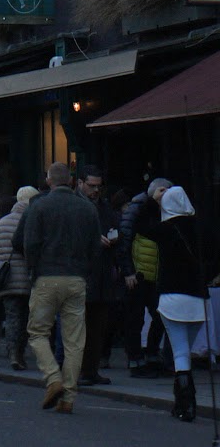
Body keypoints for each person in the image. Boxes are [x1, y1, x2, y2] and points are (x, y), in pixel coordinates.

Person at [22, 160, 101, 415]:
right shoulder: (87, 208)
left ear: (48, 181)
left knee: (37, 332)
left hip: (46, 275)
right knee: (74, 341)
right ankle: (68, 396)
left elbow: (30, 243)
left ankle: (53, 377)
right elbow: (94, 248)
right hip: (77, 278)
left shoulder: (39, 205)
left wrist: (32, 270)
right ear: (70, 181)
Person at [149, 185, 206, 422]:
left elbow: (140, 226)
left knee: (179, 352)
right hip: (197, 297)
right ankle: (185, 402)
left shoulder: (165, 229)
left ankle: (185, 402)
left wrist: (151, 199)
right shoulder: (201, 228)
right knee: (186, 351)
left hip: (171, 296)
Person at [74, 165, 121, 386]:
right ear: (80, 183)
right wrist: (94, 240)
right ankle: (80, 370)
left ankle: (91, 369)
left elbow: (115, 226)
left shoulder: (104, 207)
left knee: (98, 326)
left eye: (98, 186)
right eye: (91, 186)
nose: (95, 190)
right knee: (79, 326)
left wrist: (113, 238)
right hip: (82, 273)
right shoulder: (74, 206)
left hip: (102, 273)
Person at [121, 176, 170, 378]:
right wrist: (128, 271)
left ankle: (149, 354)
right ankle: (137, 359)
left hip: (153, 271)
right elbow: (125, 239)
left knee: (158, 316)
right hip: (140, 271)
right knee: (136, 318)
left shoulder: (158, 210)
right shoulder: (139, 208)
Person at [0, 186, 39, 371]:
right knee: (28, 318)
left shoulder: (2, 222)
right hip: (28, 277)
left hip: (8, 277)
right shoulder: (32, 221)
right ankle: (21, 352)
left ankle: (12, 351)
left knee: (12, 316)